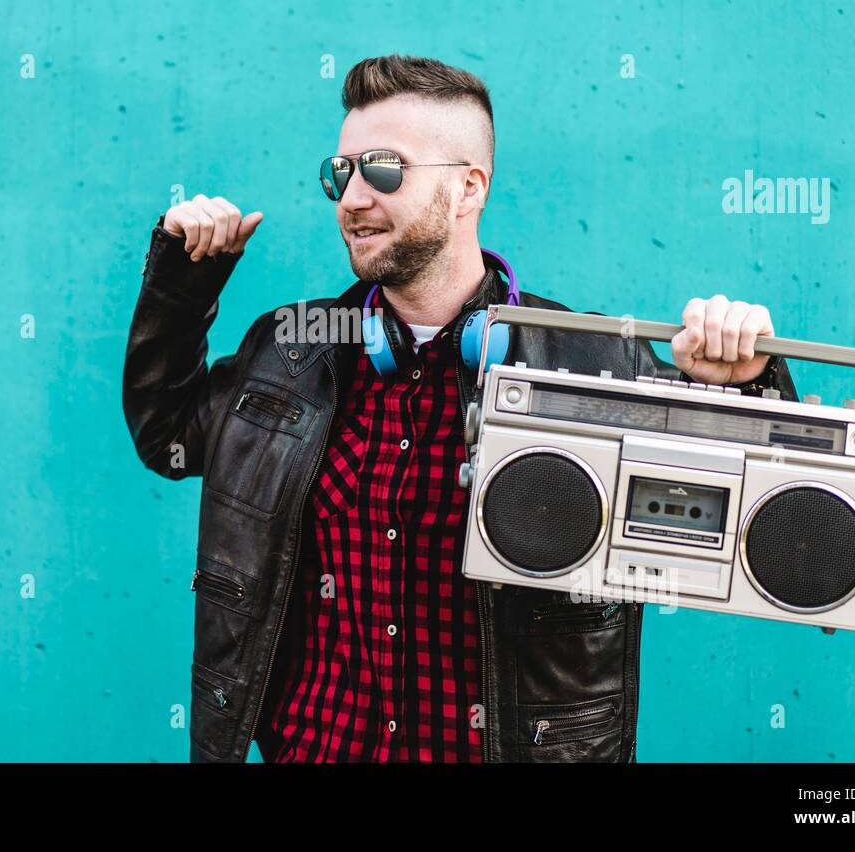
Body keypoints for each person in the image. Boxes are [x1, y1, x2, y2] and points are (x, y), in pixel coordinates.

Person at [123, 53, 797, 762]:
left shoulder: (589, 361)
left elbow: (763, 518)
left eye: (383, 170)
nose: (351, 198)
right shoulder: (290, 351)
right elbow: (166, 433)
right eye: (340, 173)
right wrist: (183, 284)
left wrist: (746, 381)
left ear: (469, 188)